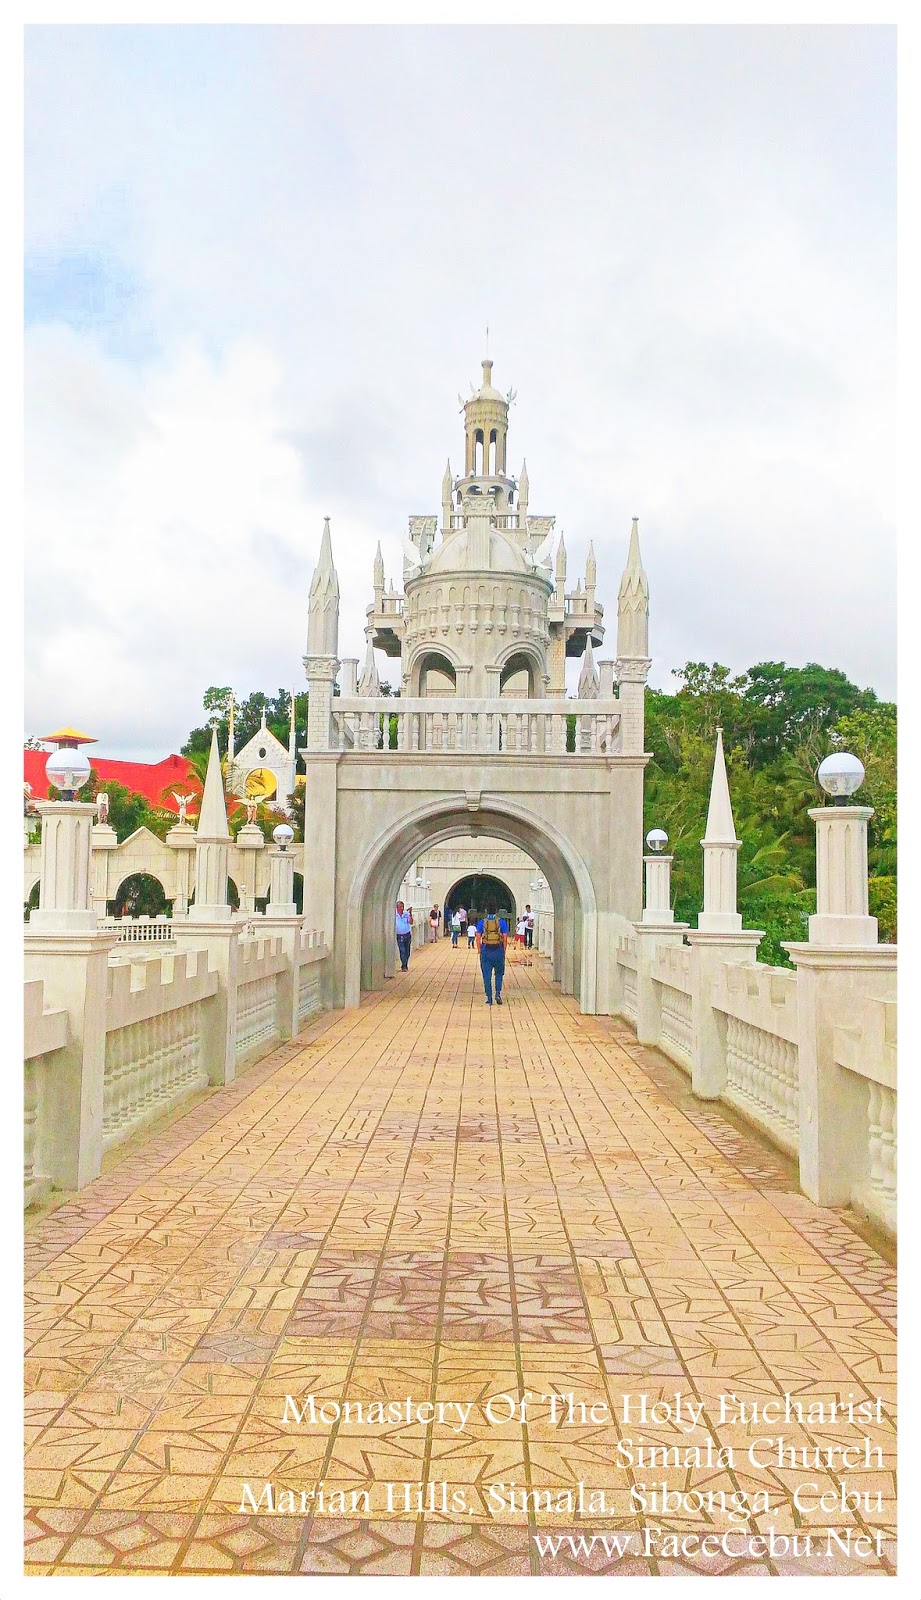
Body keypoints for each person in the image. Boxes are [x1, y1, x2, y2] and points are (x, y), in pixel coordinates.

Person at [476, 905, 509, 1005]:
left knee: (487, 976)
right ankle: (498, 994)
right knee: (499, 974)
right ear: (497, 911)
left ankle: (489, 998)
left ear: (486, 911)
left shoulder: (482, 922)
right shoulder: (501, 922)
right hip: (498, 950)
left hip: (486, 951)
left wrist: (479, 950)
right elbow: (505, 938)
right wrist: (503, 951)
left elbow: (478, 937)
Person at [395, 901, 413, 971]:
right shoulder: (394, 915)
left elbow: (411, 922)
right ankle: (404, 966)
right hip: (400, 935)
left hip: (407, 934)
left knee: (407, 951)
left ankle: (405, 963)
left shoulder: (406, 914)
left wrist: (410, 914)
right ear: (397, 907)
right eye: (400, 907)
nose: (402, 908)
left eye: (403, 907)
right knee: (402, 950)